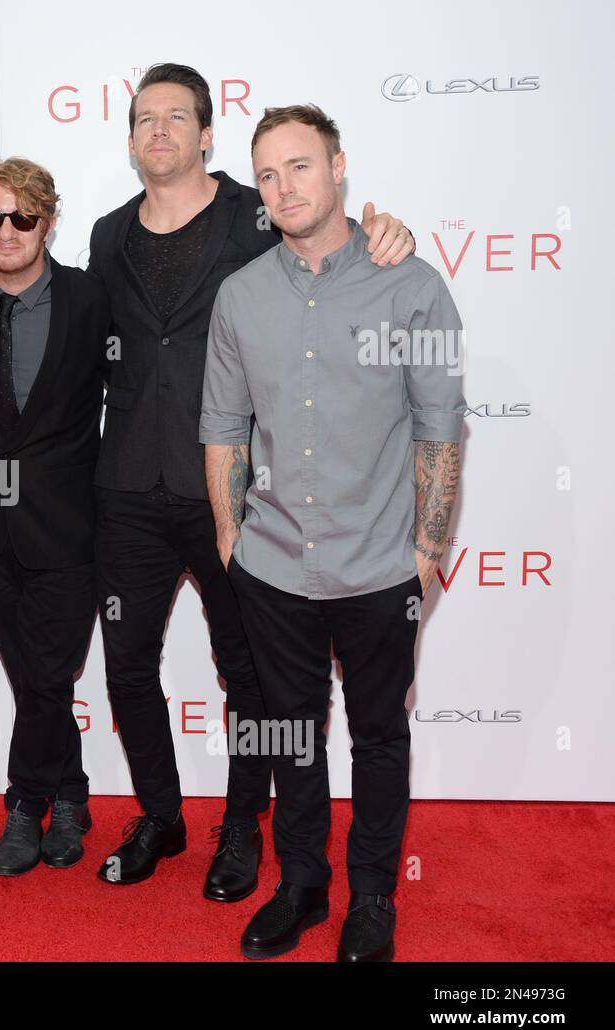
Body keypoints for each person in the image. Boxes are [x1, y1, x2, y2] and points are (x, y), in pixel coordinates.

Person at [84, 64, 413, 894]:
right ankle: (161, 816)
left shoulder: (257, 214)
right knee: (127, 664)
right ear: (129, 141)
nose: (159, 129)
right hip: (126, 484)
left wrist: (384, 233)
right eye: (144, 118)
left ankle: (241, 828)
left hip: (232, 492)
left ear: (206, 135)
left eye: (177, 116)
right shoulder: (106, 235)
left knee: (255, 679)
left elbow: (326, 256)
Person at [201, 104, 465, 961]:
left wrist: (425, 553)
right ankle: (304, 884)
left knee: (380, 735)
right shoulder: (241, 296)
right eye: (268, 173)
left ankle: (375, 899)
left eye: (300, 166)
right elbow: (223, 427)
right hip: (273, 567)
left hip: (383, 565)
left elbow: (439, 426)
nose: (284, 187)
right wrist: (231, 536)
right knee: (290, 733)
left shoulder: (411, 284)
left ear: (340, 167)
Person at [0, 158, 110, 875]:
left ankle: (25, 802)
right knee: (32, 676)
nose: (5, 231)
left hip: (70, 524)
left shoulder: (90, 299)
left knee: (47, 672)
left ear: (47, 221)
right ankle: (69, 794)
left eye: (21, 216)